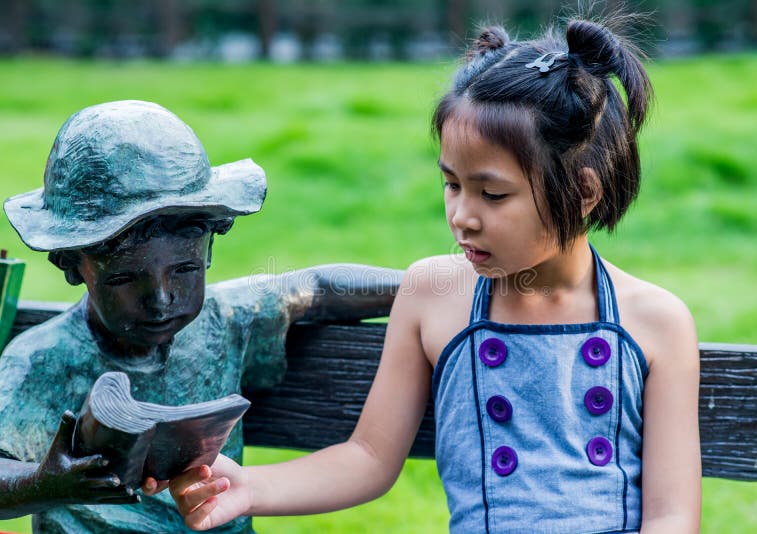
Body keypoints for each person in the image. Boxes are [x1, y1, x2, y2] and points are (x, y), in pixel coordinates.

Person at [169, 17, 701, 533]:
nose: (462, 216)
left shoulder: (655, 322)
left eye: (493, 194)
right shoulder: (432, 296)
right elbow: (369, 456)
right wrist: (250, 488)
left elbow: (672, 515)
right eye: (452, 184)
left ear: (585, 193)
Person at [0, 100, 401, 533]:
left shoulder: (227, 320)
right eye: (126, 279)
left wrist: (436, 285)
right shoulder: (42, 360)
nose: (160, 299)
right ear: (73, 266)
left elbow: (317, 288)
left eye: (185, 271)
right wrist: (44, 483)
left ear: (208, 251)